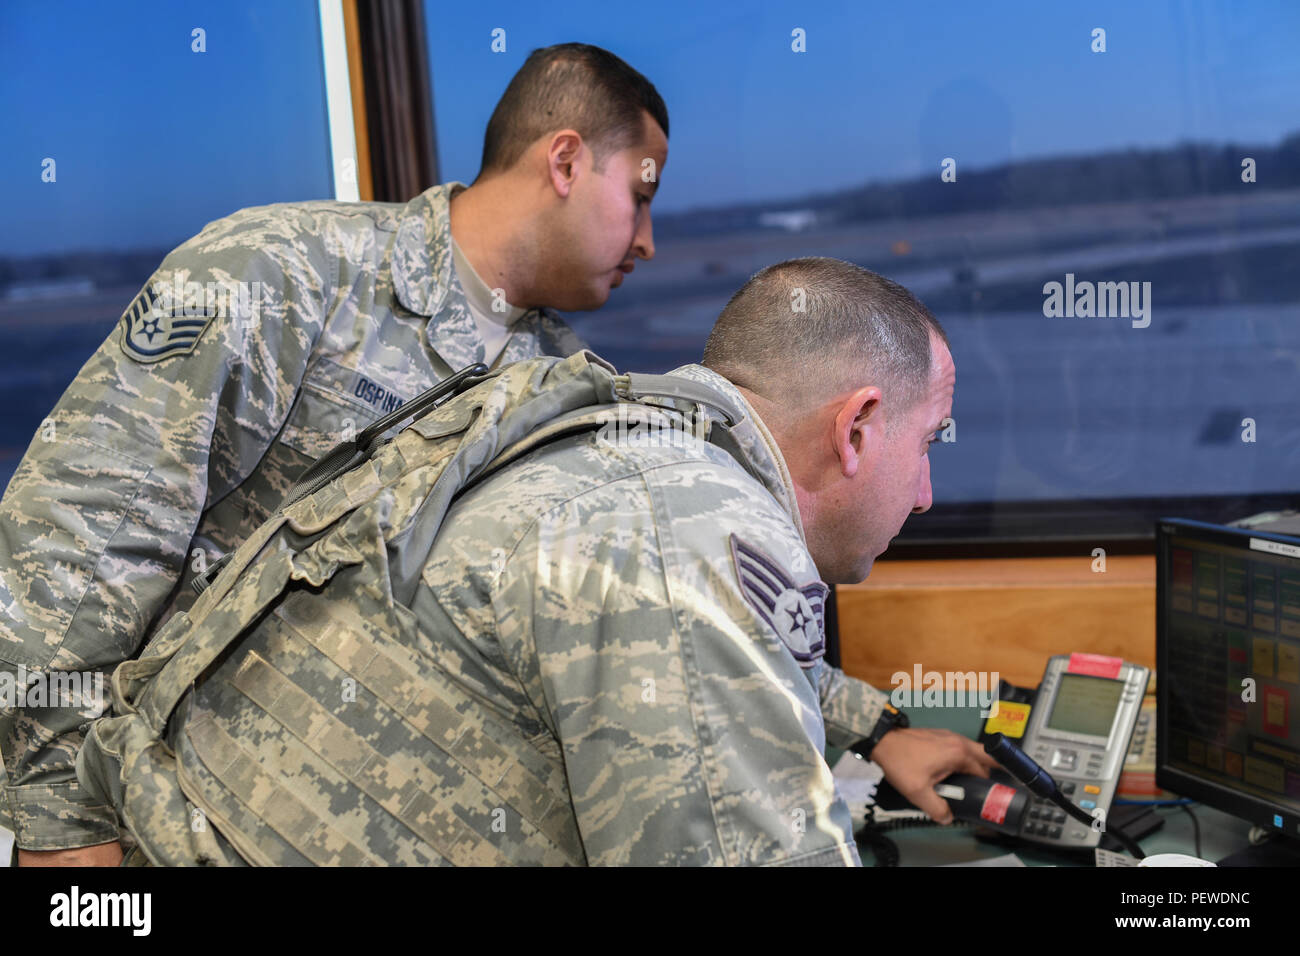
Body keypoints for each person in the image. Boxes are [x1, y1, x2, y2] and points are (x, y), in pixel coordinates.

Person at [80, 257, 996, 865]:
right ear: (858, 426)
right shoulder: (693, 521)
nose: (924, 494)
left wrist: (872, 725)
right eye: (929, 445)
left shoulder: (597, 439)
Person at [0, 41, 669, 866]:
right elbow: (76, 537)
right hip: (158, 822)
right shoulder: (281, 273)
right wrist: (64, 827)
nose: (647, 242)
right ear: (566, 160)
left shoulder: (555, 390)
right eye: (641, 196)